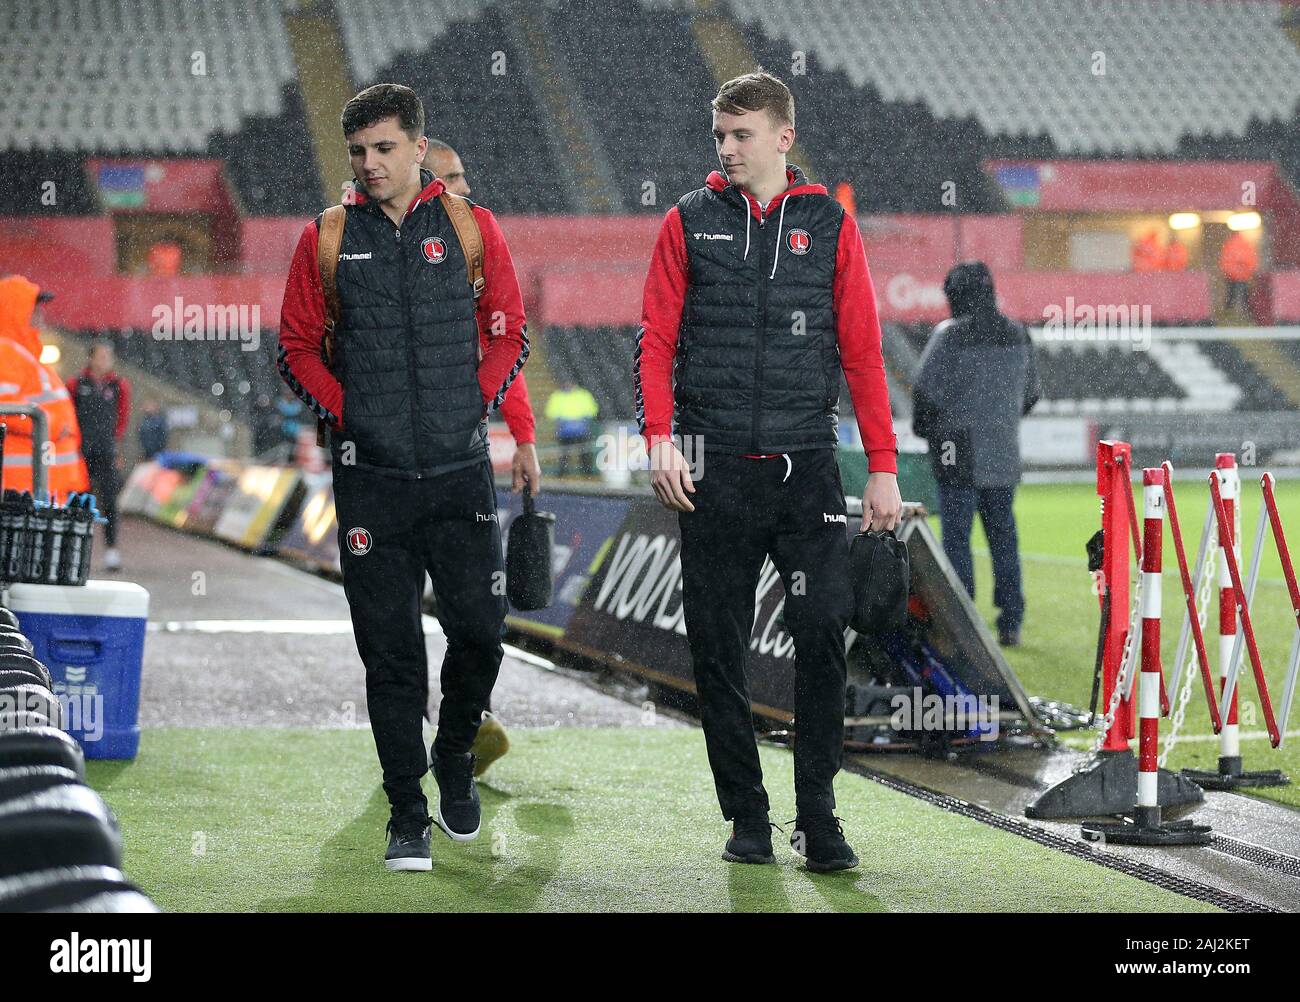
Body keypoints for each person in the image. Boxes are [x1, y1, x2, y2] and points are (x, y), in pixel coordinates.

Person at [635, 70, 901, 873]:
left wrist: (882, 467)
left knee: (822, 634)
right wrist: (658, 438)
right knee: (717, 648)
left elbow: (862, 350)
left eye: (741, 134)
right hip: (711, 473)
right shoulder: (688, 219)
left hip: (806, 470)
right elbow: (653, 338)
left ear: (783, 137)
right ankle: (746, 815)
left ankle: (817, 816)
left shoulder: (829, 223)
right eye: (720, 135)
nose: (727, 148)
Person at [278, 84, 532, 873]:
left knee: (482, 634)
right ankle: (407, 811)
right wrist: (353, 413)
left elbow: (509, 329)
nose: (370, 165)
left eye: (385, 149)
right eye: (358, 152)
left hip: (460, 476)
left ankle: (454, 753)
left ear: (420, 149)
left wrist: (474, 402)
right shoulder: (325, 236)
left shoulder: (470, 228)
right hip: (371, 484)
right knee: (390, 657)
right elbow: (295, 348)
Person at [422, 137, 539, 776]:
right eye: (450, 179)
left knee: (475, 602)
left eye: (465, 175)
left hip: (463, 459)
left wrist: (522, 438)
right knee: (401, 611)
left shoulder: (477, 255)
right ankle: (427, 722)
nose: (463, 189)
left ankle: (468, 716)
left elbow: (508, 351)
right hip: (390, 464)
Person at [911, 261, 1040, 647]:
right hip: (1003, 455)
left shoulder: (949, 336)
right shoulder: (1019, 335)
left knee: (957, 540)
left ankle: (962, 619)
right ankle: (1010, 620)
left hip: (957, 454)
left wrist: (933, 431)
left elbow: (925, 392)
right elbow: (1030, 395)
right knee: (1004, 539)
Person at [0, 276, 88, 499]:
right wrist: (50, 423)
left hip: (43, 491)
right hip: (23, 493)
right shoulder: (6, 353)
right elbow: (4, 408)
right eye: (33, 308)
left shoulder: (25, 354)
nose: (40, 315)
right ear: (15, 309)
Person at [67, 340, 131, 572]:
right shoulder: (76, 383)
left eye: (109, 357)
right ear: (91, 358)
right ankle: (74, 549)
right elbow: (69, 414)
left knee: (110, 501)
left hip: (106, 451)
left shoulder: (118, 385)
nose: (105, 361)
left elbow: (122, 418)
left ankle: (112, 550)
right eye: (101, 356)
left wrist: (117, 447)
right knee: (78, 501)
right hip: (82, 452)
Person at [545, 380, 600, 477]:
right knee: (564, 453)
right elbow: (550, 412)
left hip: (581, 430)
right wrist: (562, 421)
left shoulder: (584, 395)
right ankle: (563, 473)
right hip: (564, 430)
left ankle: (587, 474)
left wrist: (582, 420)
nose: (568, 384)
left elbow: (592, 410)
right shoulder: (557, 396)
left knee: (584, 453)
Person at [1220, 230, 1258, 314]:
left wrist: (1230, 272)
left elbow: (1225, 261)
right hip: (1244, 276)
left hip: (1232, 276)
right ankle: (1247, 315)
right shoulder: (1247, 244)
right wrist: (1246, 272)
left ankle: (1228, 314)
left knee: (1230, 297)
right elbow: (1252, 260)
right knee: (1245, 297)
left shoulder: (1229, 244)